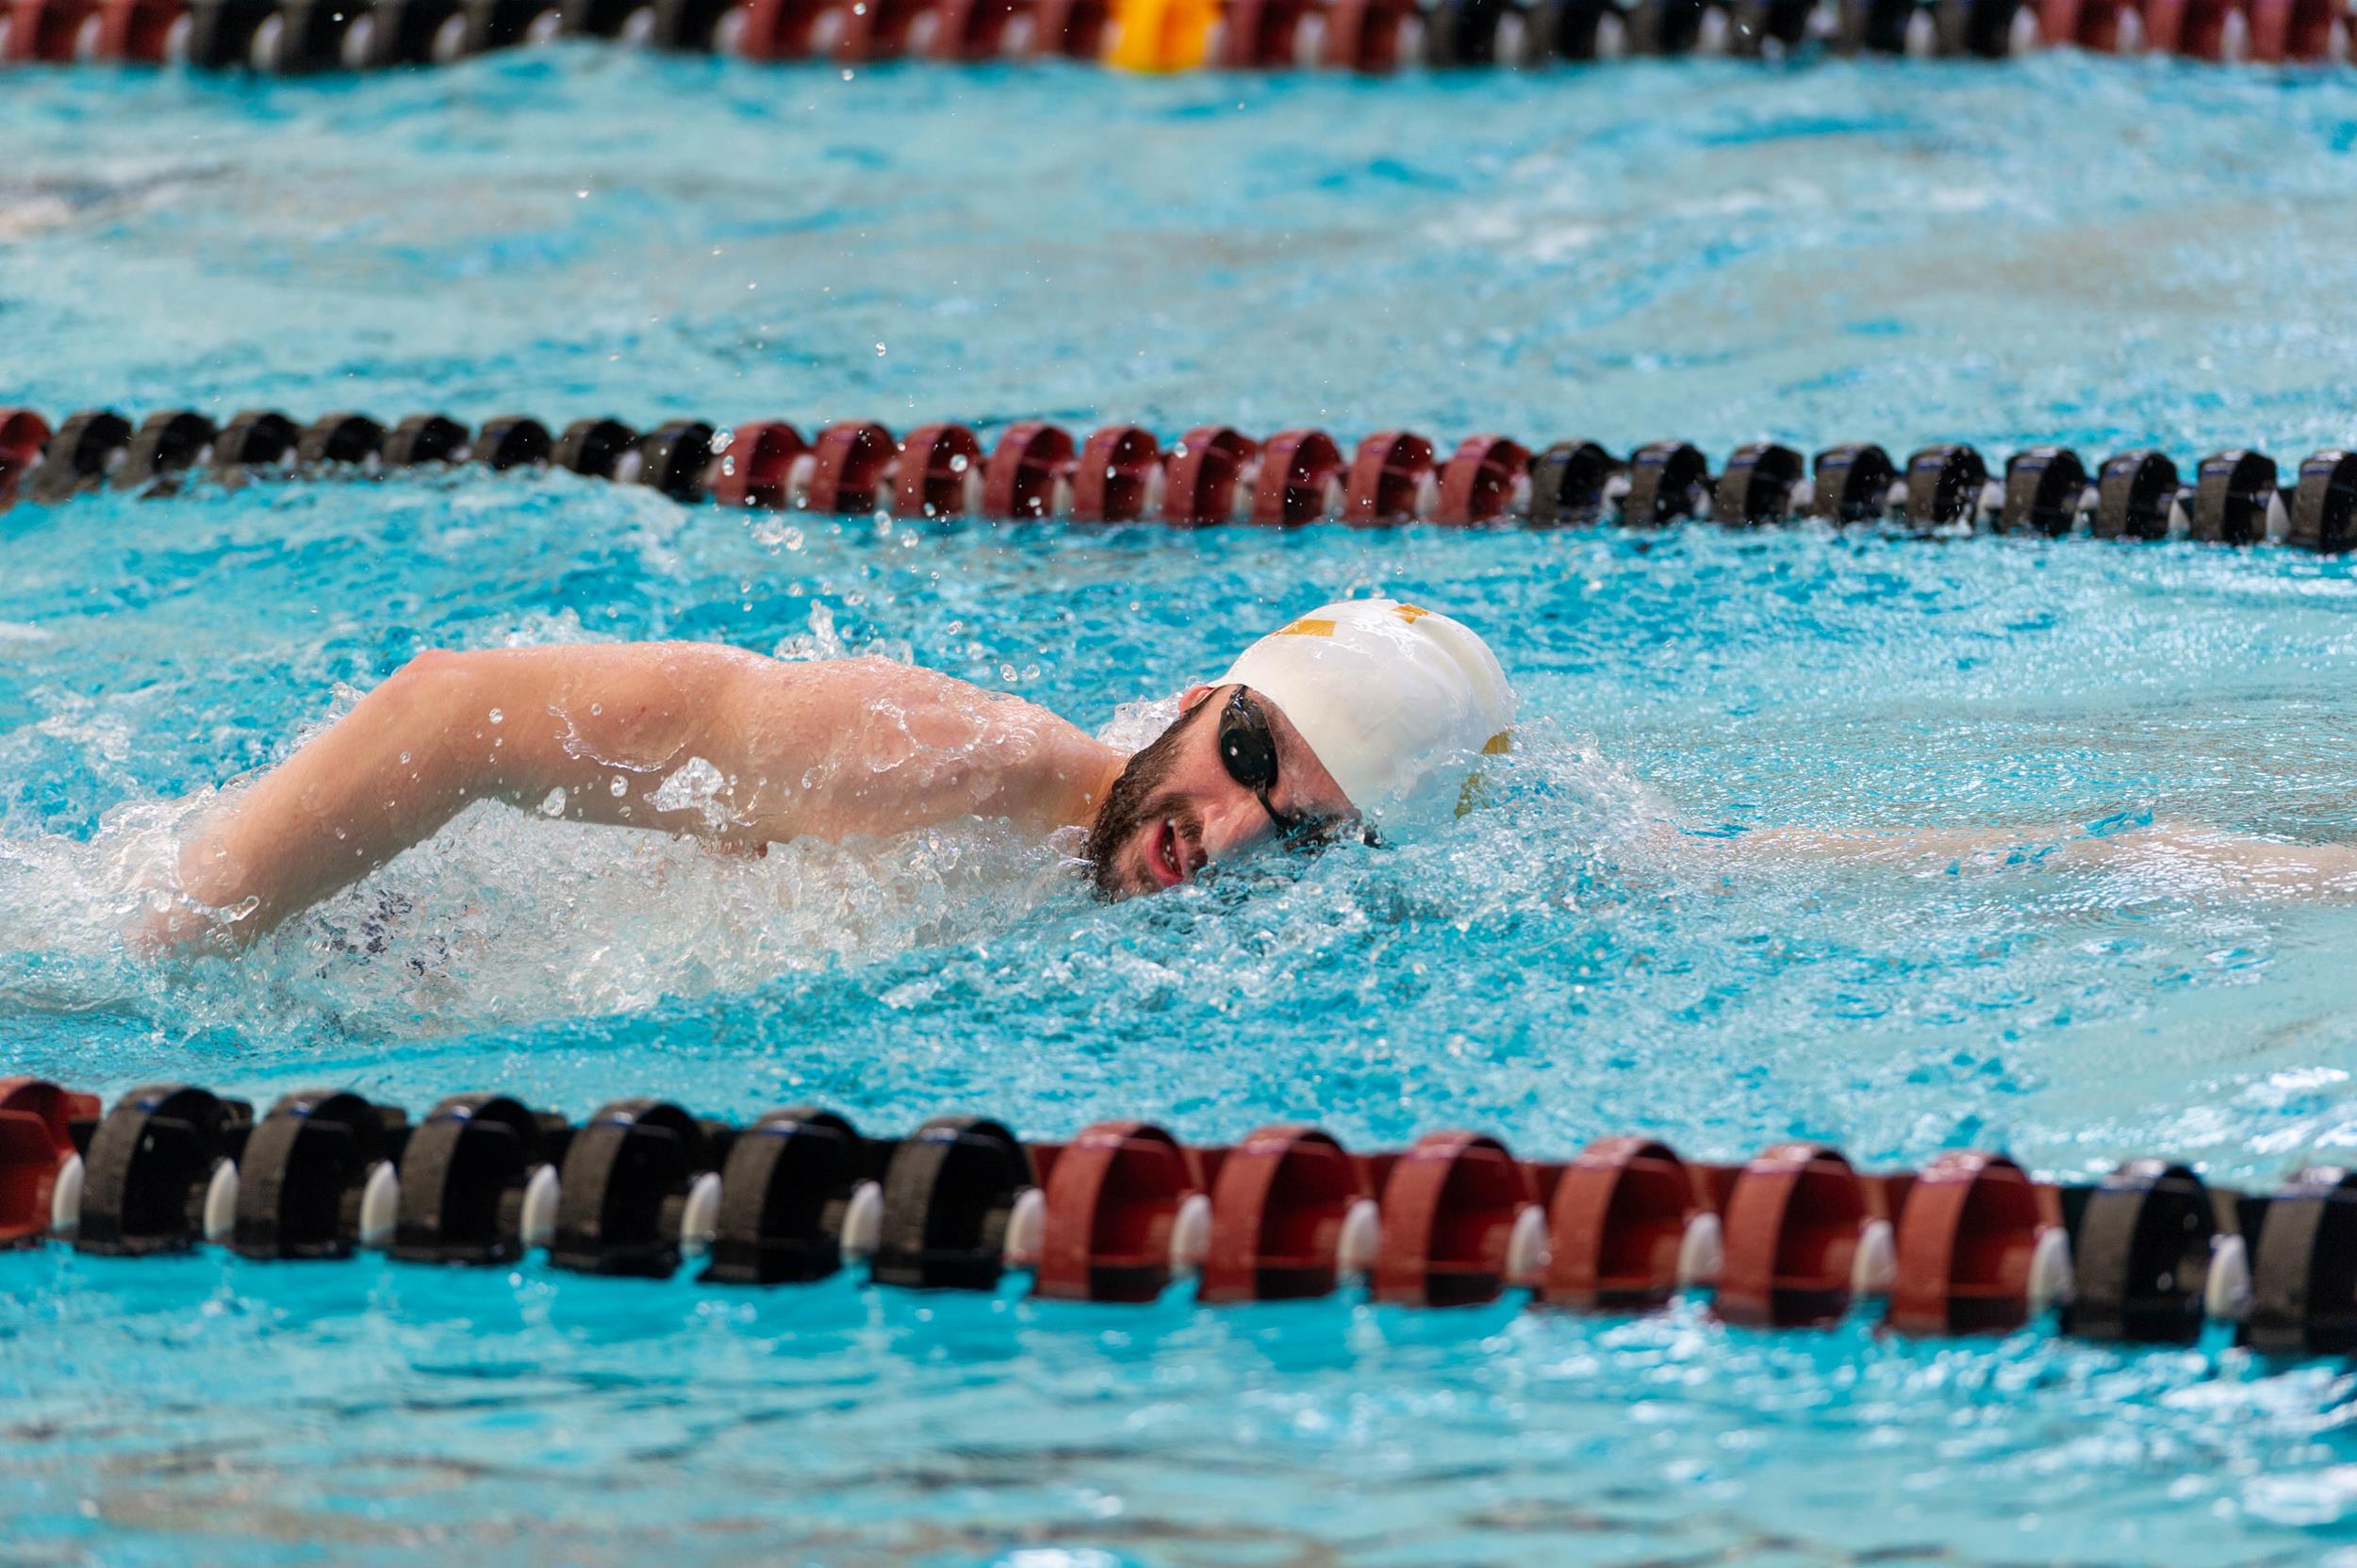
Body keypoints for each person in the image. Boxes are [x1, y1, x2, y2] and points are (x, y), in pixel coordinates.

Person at [149, 598, 1516, 947]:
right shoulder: (938, 763)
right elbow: (453, 713)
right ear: (1194, 699)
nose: (1223, 835)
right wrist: (172, 943)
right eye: (1248, 755)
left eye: (1304, 835)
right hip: (365, 936)